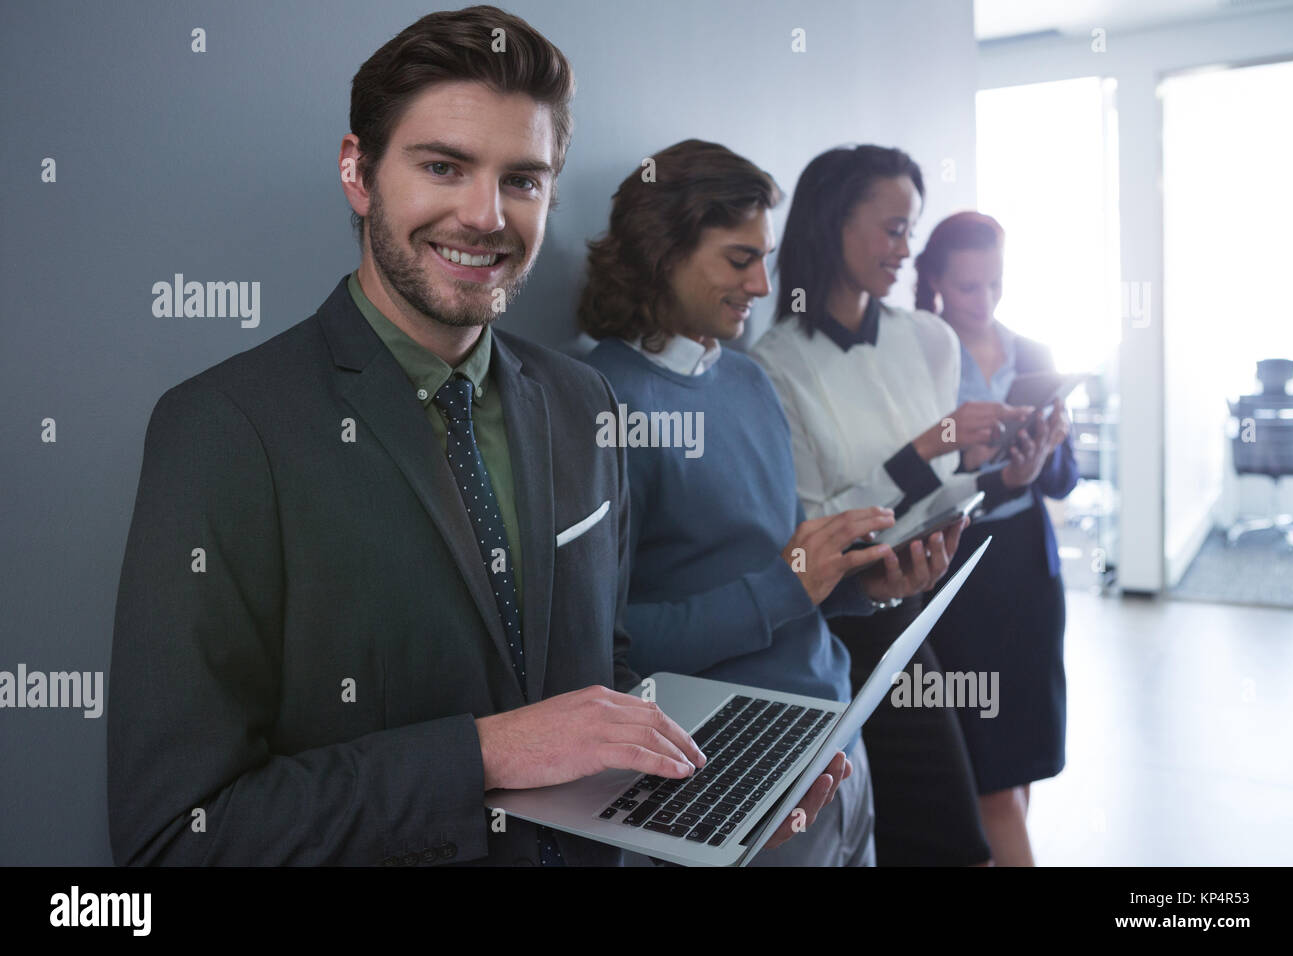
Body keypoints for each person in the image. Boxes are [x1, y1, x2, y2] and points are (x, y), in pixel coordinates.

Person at [106, 5, 841, 867]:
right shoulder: (224, 428)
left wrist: (716, 812)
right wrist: (485, 752)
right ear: (358, 172)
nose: (486, 216)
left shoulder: (582, 401)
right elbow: (175, 838)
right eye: (444, 167)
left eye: (522, 180)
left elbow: (601, 690)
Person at [580, 139, 967, 866]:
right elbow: (609, 647)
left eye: (763, 257)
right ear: (662, 252)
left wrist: (865, 590)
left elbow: (784, 569)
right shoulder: (598, 403)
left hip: (836, 737)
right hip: (734, 773)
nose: (762, 284)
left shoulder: (747, 381)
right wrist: (787, 585)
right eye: (738, 258)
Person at [750, 145, 1034, 866]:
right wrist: (927, 444)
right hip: (843, 625)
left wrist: (1006, 476)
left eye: (912, 230)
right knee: (885, 835)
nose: (907, 249)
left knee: (958, 825)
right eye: (893, 228)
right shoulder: (774, 364)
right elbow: (816, 526)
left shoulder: (930, 340)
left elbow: (949, 488)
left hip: (927, 602)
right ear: (830, 225)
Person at [914, 211, 1078, 866]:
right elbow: (914, 483)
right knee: (988, 778)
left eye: (996, 285)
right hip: (959, 576)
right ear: (934, 283)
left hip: (1030, 578)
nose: (984, 303)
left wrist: (1042, 461)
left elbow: (1064, 482)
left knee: (1019, 767)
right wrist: (1003, 475)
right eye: (968, 288)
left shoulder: (1033, 355)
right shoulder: (920, 362)